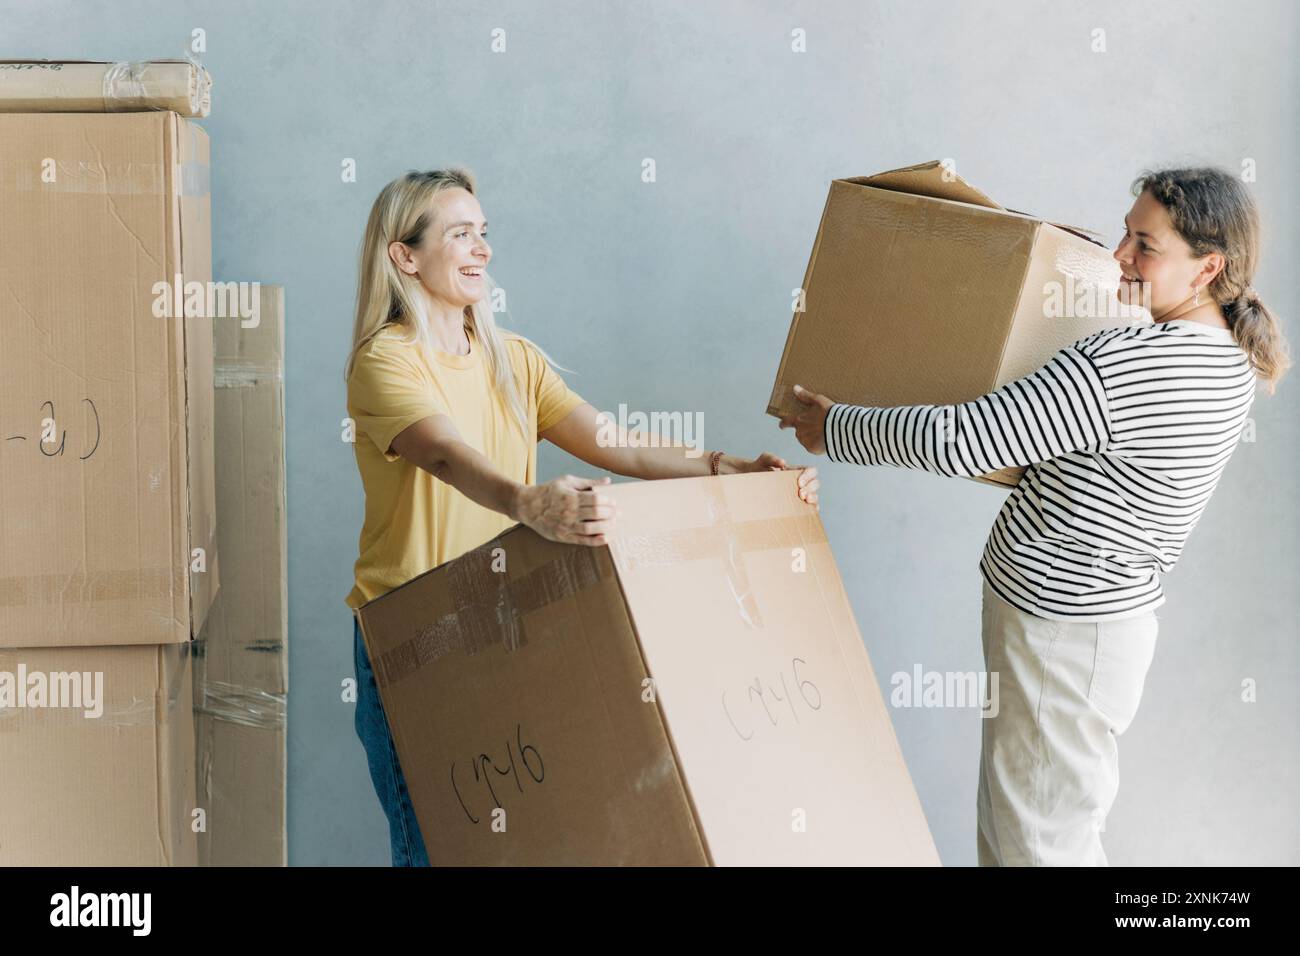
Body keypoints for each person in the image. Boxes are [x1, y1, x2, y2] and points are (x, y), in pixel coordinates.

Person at [780, 167, 1289, 866]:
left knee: (1037, 847)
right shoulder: (1230, 361)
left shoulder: (1125, 363)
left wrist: (838, 428)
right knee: (1028, 832)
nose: (1118, 256)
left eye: (1145, 244)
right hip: (1094, 629)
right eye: (1125, 233)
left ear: (1208, 267)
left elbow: (964, 440)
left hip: (1061, 632)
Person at [344, 167, 820, 865]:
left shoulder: (514, 362)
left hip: (500, 626)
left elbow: (616, 442)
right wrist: (526, 501)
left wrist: (730, 467)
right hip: (412, 639)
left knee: (519, 843)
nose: (482, 249)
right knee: (433, 852)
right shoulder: (384, 361)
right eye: (460, 234)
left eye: (484, 233)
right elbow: (442, 452)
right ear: (404, 256)